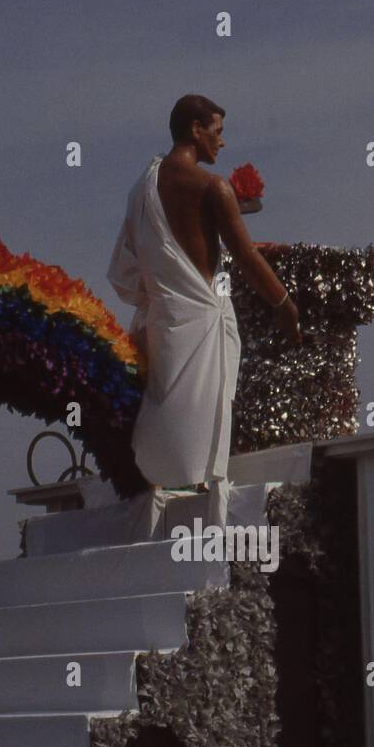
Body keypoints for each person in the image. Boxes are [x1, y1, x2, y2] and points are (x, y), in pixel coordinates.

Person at [107, 94, 301, 530]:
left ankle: (162, 491)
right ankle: (202, 506)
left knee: (165, 411)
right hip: (198, 318)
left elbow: (135, 257)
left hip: (165, 318)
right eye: (217, 130)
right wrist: (285, 305)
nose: (223, 142)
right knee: (201, 418)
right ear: (196, 130)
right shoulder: (212, 187)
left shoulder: (144, 186)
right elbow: (247, 257)